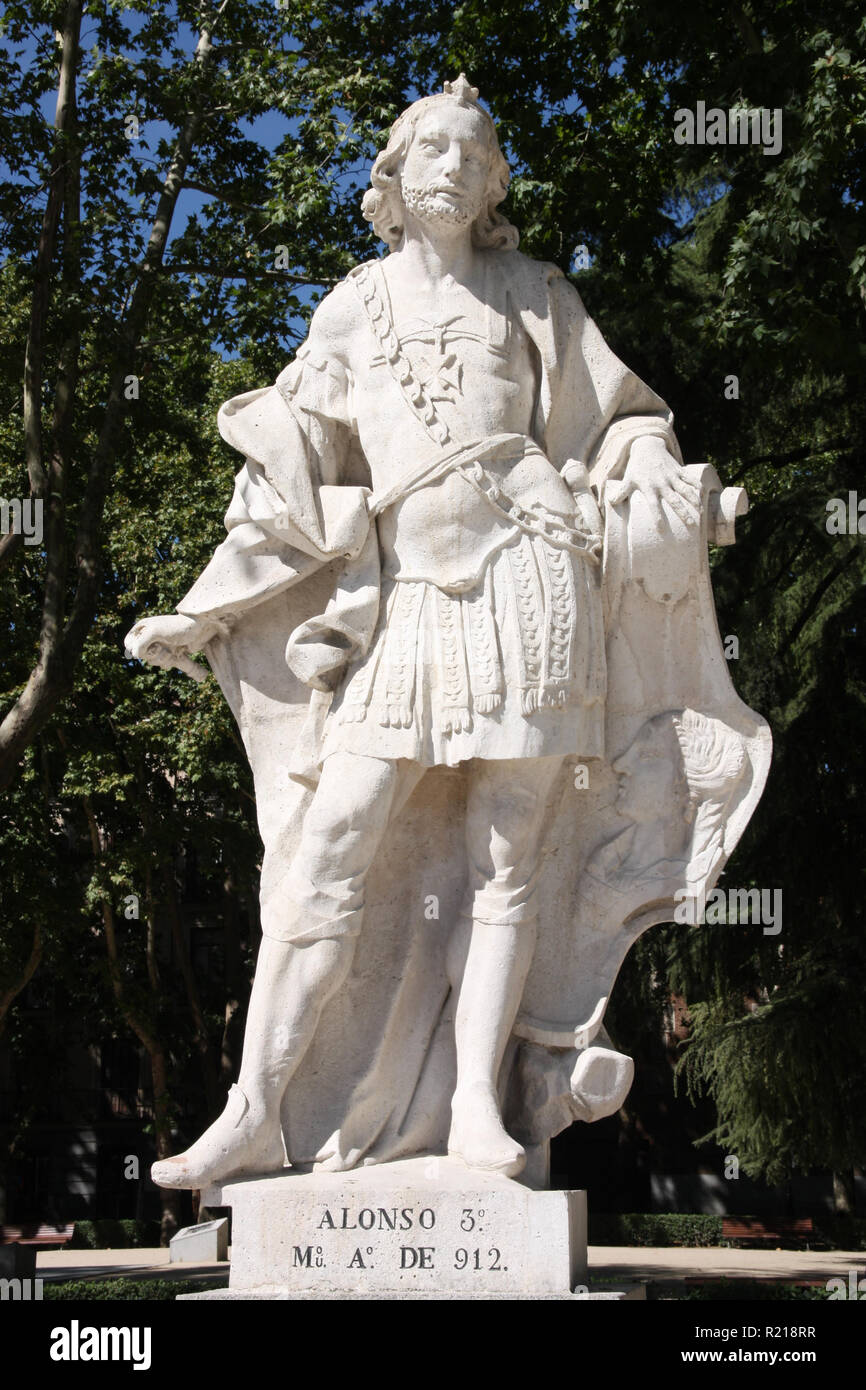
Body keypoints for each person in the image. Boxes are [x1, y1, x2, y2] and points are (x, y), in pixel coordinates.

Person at [125, 75, 699, 1185]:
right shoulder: (353, 306)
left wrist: (649, 471)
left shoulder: (536, 295)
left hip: (532, 586)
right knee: (328, 845)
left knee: (502, 860)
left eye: (472, 152)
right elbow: (291, 474)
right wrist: (207, 606)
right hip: (401, 609)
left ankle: (479, 1110)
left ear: (492, 185)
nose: (450, 163)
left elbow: (622, 423)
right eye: (428, 146)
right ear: (393, 173)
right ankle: (254, 1105)